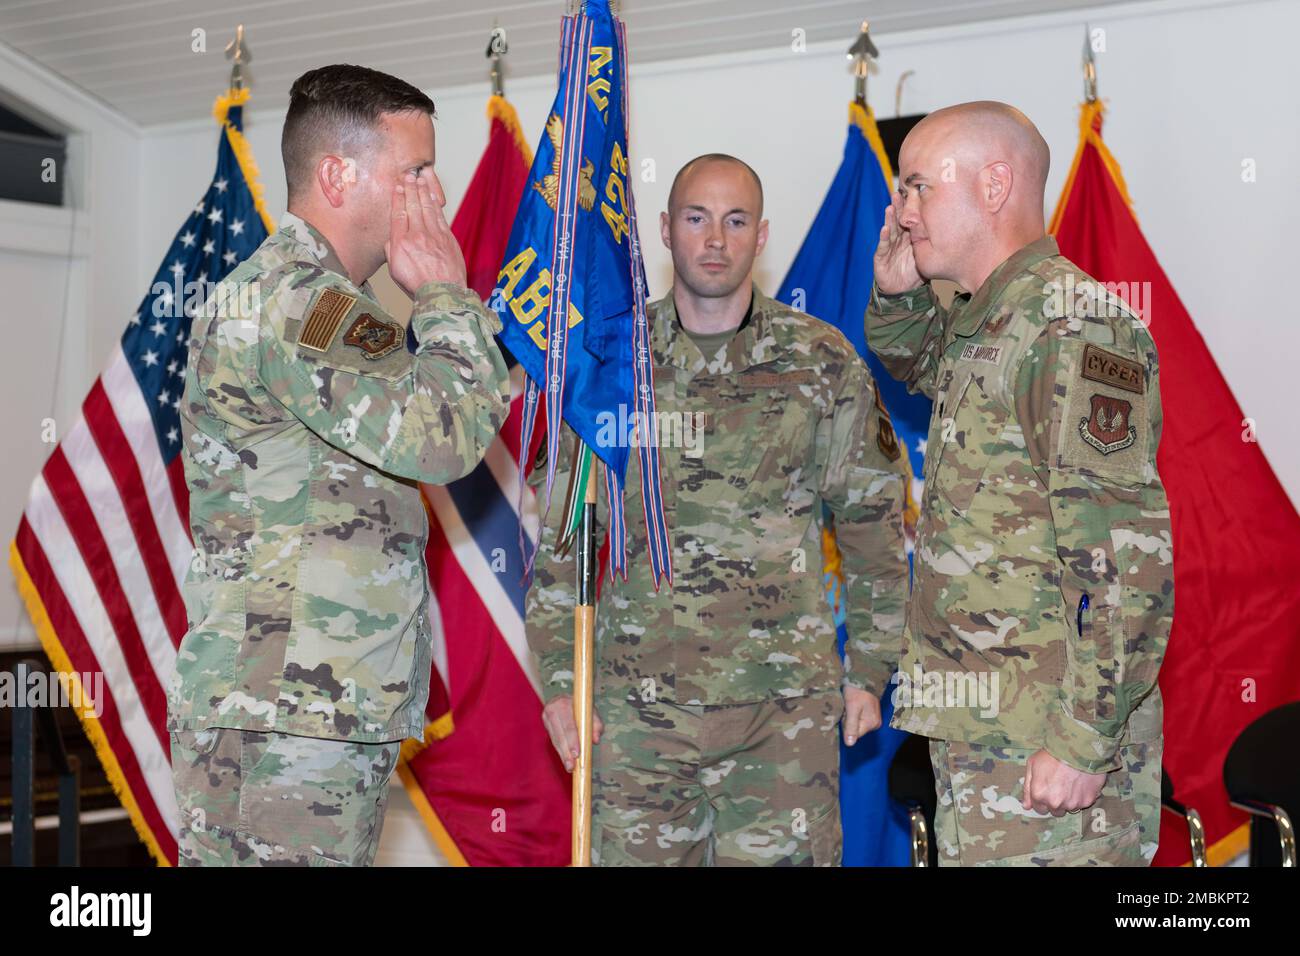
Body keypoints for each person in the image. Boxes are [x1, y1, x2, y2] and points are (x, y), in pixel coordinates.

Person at [166, 64, 510, 866]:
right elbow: (445, 437)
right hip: (288, 712)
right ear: (336, 174)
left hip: (303, 704)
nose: (433, 193)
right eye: (415, 172)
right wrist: (448, 298)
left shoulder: (319, 301)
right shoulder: (303, 303)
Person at [525, 154, 909, 866]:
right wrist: (558, 685)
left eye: (735, 221)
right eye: (697, 218)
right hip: (636, 723)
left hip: (780, 719)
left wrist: (870, 671)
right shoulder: (604, 367)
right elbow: (562, 543)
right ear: (666, 230)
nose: (715, 239)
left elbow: (874, 529)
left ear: (761, 236)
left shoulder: (820, 363)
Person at [866, 100, 1173, 865]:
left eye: (916, 187)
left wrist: (1082, 740)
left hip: (1046, 742)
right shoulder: (990, 318)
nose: (900, 210)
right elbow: (918, 365)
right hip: (985, 728)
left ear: (995, 185)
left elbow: (1122, 557)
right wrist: (899, 293)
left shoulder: (1072, 325)